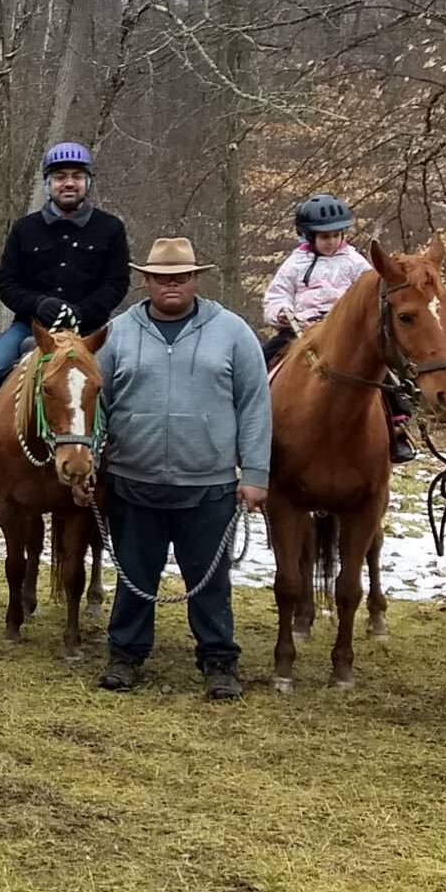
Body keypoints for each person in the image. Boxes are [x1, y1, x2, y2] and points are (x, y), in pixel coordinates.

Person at [94, 237, 272, 700]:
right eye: (161, 278)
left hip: (209, 485)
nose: (171, 285)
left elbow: (254, 406)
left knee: (210, 582)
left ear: (196, 279)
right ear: (145, 281)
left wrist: (254, 474)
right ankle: (125, 657)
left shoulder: (233, 332)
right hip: (134, 481)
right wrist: (91, 465)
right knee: (135, 576)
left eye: (181, 277)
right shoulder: (117, 334)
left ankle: (218, 662)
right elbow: (97, 406)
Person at [0, 141, 131, 503]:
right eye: (60, 177)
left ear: (88, 183)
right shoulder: (25, 229)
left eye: (77, 177)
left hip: (89, 334)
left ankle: (114, 474)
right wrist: (39, 304)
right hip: (29, 330)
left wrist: (84, 313)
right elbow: (7, 282)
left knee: (119, 391)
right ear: (48, 183)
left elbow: (116, 283)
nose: (69, 183)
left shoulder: (109, 229)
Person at [261, 193, 415, 463]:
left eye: (336, 235)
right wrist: (282, 313)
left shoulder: (355, 263)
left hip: (345, 333)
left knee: (383, 373)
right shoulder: (295, 264)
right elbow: (277, 295)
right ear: (309, 237)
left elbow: (372, 294)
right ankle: (256, 424)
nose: (331, 242)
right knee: (260, 362)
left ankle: (396, 428)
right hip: (302, 329)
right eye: (324, 237)